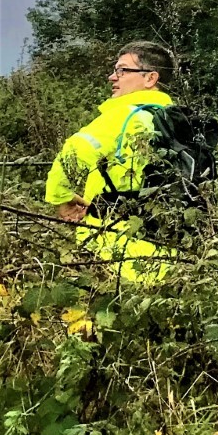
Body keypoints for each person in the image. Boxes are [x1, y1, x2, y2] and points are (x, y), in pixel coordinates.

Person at [43, 42, 178, 283]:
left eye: (122, 70)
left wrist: (61, 197)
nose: (112, 77)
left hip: (117, 249)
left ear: (150, 78)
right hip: (170, 250)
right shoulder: (175, 119)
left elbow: (74, 153)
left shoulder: (124, 115)